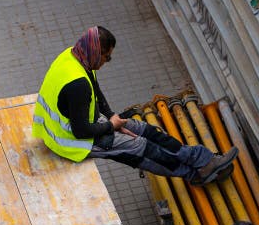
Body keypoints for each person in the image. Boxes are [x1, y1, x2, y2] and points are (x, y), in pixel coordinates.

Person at [32, 26, 238, 185]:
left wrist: (114, 118)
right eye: (107, 56)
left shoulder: (77, 56)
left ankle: (200, 158)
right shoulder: (77, 85)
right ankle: (195, 174)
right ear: (97, 51)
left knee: (141, 128)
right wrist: (111, 126)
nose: (107, 61)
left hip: (83, 122)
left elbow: (96, 90)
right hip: (72, 141)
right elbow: (81, 131)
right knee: (140, 148)